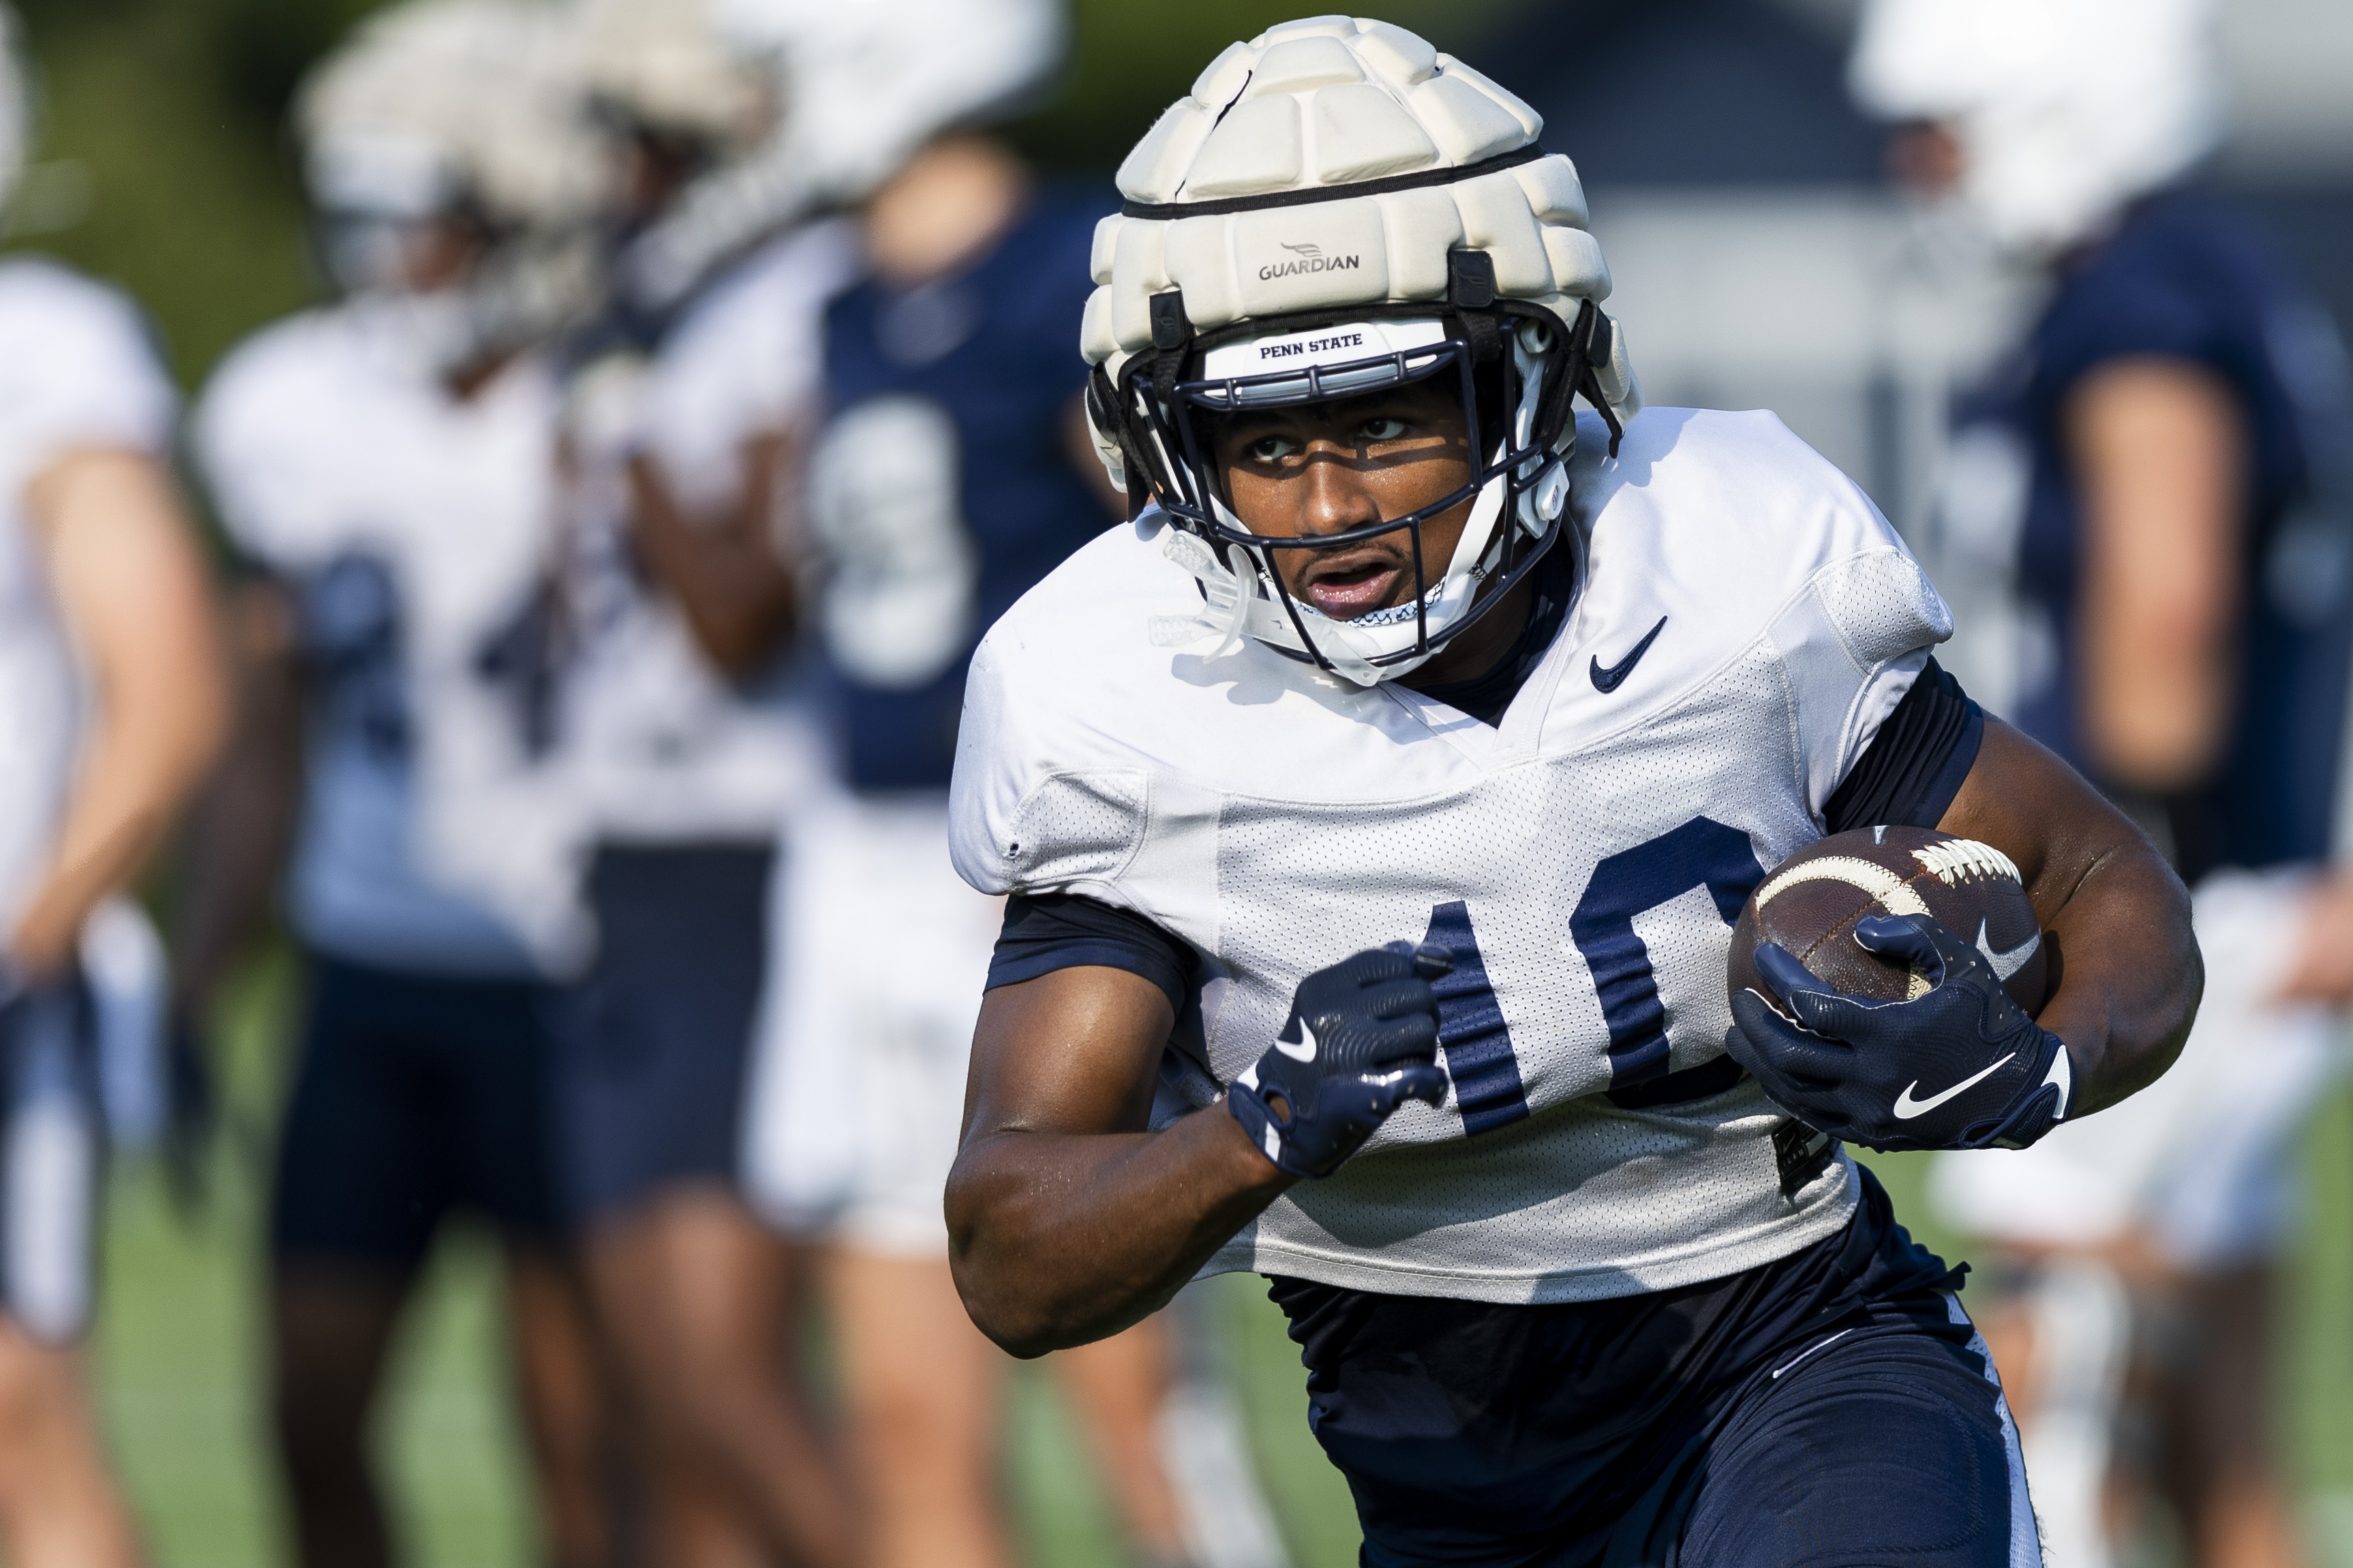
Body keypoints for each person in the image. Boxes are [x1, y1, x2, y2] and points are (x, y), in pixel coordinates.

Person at [943, 16, 2204, 1566]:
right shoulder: (1116, 691)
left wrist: (2043, 1073)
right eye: (1262, 441)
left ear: (1530, 373)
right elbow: (1011, 1255)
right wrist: (1255, 1129)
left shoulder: (1730, 558)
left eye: (1388, 416)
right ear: (1171, 446)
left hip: (1801, 1347)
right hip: (1444, 1470)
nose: (1330, 504)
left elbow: (2100, 884)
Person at [732, 6, 1286, 1561]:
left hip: (1045, 871)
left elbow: (1200, 569)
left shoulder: (1071, 276)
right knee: (904, 1413)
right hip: (855, 853)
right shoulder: (841, 299)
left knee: (1136, 1415)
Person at [1851, 1, 2353, 1563]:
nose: (1916, 167)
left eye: (1943, 128)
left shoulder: (2140, 307)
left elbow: (2164, 628)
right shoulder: (2198, 279)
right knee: (2222, 1427)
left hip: (2181, 903)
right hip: (2244, 886)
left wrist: (2064, 881)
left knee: (2038, 1351)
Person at [175, 5, 624, 1565]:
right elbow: (262, 726)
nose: (385, 264)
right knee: (307, 1410)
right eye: (356, 219)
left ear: (517, 213)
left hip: (564, 976)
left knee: (584, 1444)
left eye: (418, 222)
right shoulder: (285, 406)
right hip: (366, 967)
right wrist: (197, 977)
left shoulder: (603, 394)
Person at [543, 0, 859, 1559]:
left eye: (633, 141)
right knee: (658, 1389)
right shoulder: (652, 314)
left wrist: (630, 429)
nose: (607, 178)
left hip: (746, 854)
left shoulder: (797, 300)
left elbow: (739, 612)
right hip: (625, 857)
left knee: (728, 1376)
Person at [0, 6, 228, 1562]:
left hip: (11, 988)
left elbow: (168, 701)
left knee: (21, 1416)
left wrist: (23, 948)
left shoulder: (44, 345)